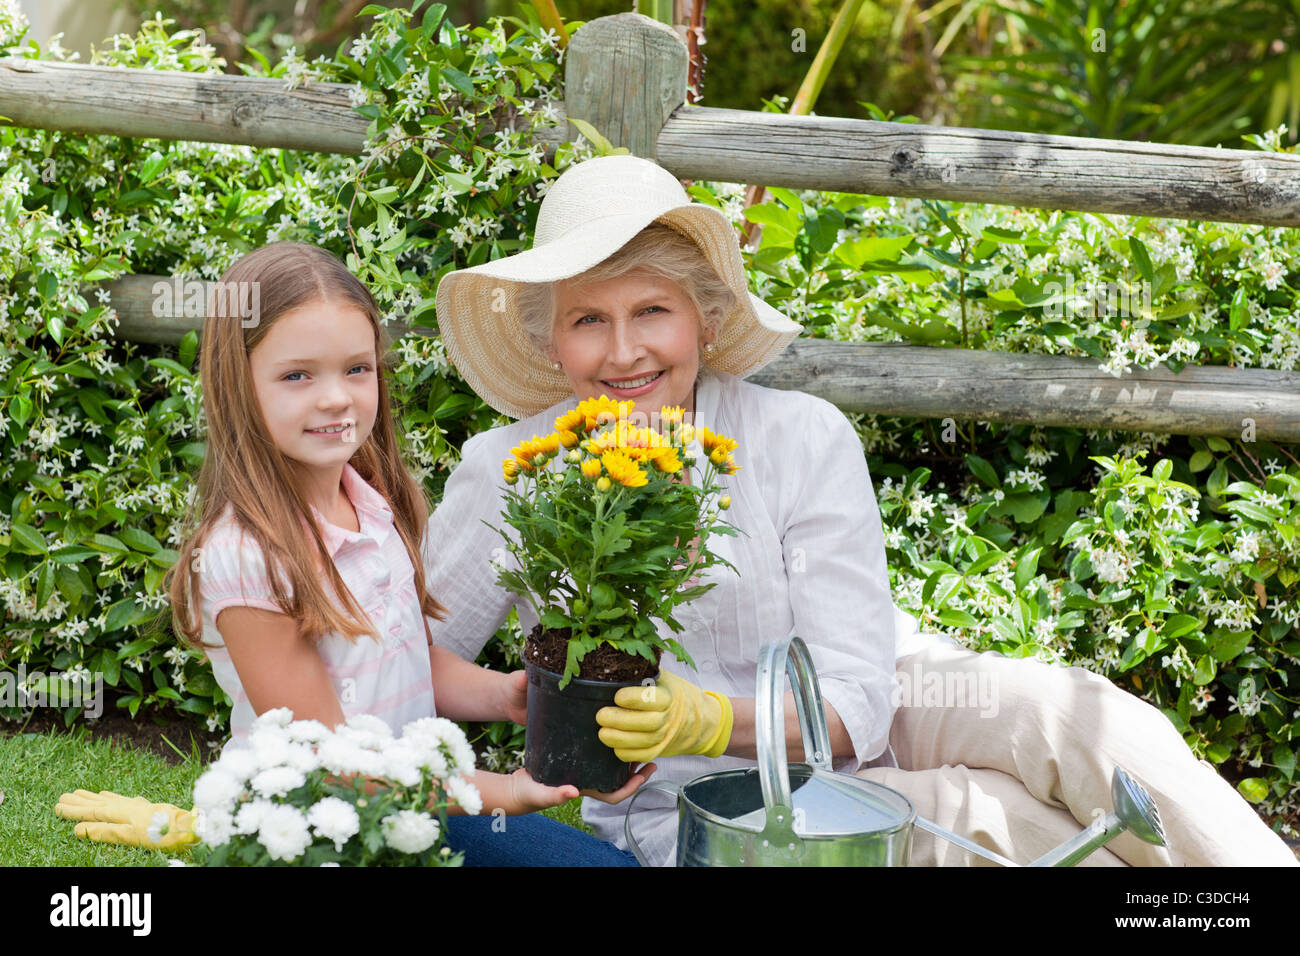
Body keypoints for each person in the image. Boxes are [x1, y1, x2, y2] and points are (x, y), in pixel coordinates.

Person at [426, 154, 1300, 867]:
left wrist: (705, 710)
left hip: (880, 692)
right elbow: (407, 652)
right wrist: (524, 704)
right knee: (999, 819)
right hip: (711, 798)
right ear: (550, 338)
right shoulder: (510, 469)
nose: (624, 352)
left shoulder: (800, 437)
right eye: (588, 320)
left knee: (1062, 710)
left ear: (704, 315)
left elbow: (855, 694)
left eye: (652, 310)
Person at [54, 242, 641, 866]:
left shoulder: (370, 506)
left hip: (414, 809)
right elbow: (333, 765)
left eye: (357, 369)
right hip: (319, 836)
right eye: (297, 375)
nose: (336, 398)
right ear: (238, 386)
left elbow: (404, 659)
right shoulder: (247, 557)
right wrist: (505, 792)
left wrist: (506, 696)